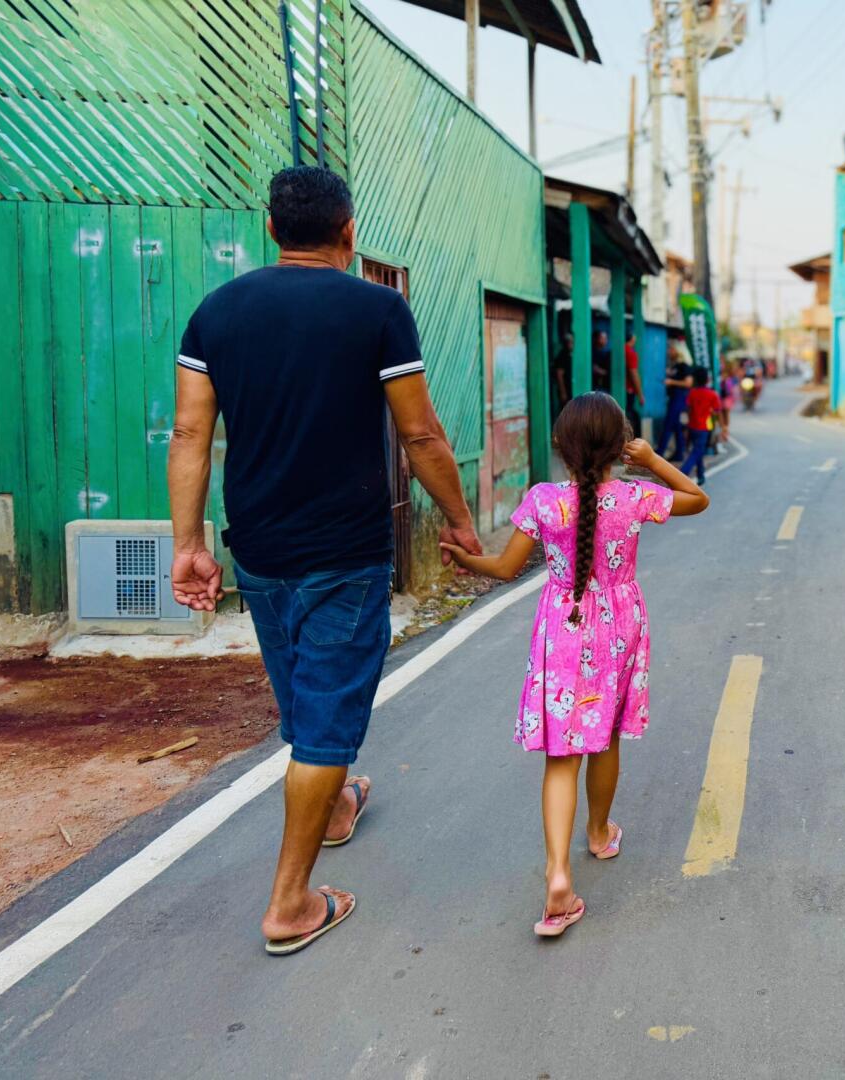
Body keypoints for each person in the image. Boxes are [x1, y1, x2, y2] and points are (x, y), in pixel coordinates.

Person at [167, 165, 483, 956]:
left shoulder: (216, 314)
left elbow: (191, 436)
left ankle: (336, 800)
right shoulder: (377, 308)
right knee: (325, 715)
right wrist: (458, 520)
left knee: (305, 692)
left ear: (269, 229)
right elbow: (419, 434)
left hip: (260, 547)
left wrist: (188, 545)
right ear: (349, 231)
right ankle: (289, 903)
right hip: (345, 549)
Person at [439, 393, 708, 937]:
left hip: (561, 628)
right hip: (618, 627)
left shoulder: (541, 500)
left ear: (559, 447)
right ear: (620, 448)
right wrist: (653, 460)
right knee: (604, 736)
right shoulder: (633, 497)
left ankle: (558, 875)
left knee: (563, 756)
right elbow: (697, 498)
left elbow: (506, 568)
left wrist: (467, 559)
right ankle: (600, 831)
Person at [679, 368, 722, 484]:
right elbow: (717, 412)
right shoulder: (712, 394)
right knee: (698, 451)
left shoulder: (692, 393)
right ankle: (683, 472)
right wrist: (721, 428)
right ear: (707, 379)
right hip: (704, 428)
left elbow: (688, 409)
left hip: (692, 426)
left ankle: (701, 475)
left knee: (697, 450)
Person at [654, 348, 693, 460]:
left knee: (668, 424)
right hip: (673, 397)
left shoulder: (684, 366)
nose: (669, 352)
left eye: (671, 350)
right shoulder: (675, 366)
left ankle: (660, 451)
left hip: (679, 397)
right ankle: (679, 453)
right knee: (676, 427)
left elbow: (688, 383)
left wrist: (672, 382)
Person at [623, 333, 644, 435]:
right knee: (630, 416)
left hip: (620, 390)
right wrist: (640, 395)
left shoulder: (618, 350)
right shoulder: (630, 353)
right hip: (628, 390)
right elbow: (634, 374)